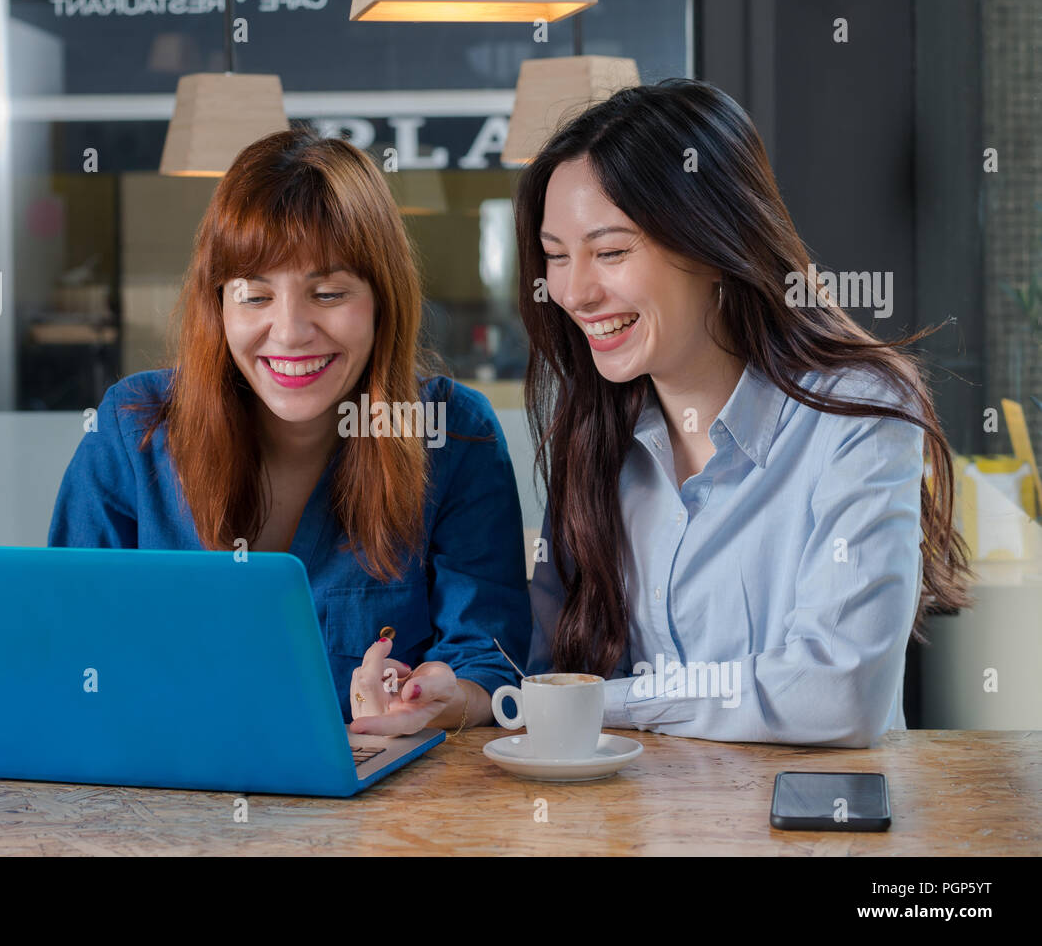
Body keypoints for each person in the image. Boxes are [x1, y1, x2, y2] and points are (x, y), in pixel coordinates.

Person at [514, 79, 971, 747]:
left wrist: (609, 702)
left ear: (710, 241)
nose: (574, 291)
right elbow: (543, 667)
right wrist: (460, 689)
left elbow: (840, 692)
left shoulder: (859, 415)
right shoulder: (597, 429)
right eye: (556, 256)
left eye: (610, 252)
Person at [50, 127, 530, 735]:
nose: (289, 331)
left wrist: (445, 700)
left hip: (380, 819)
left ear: (383, 300)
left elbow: (488, 662)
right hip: (166, 804)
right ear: (217, 304)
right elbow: (67, 645)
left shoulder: (453, 435)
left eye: (328, 293)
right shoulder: (132, 429)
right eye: (254, 297)